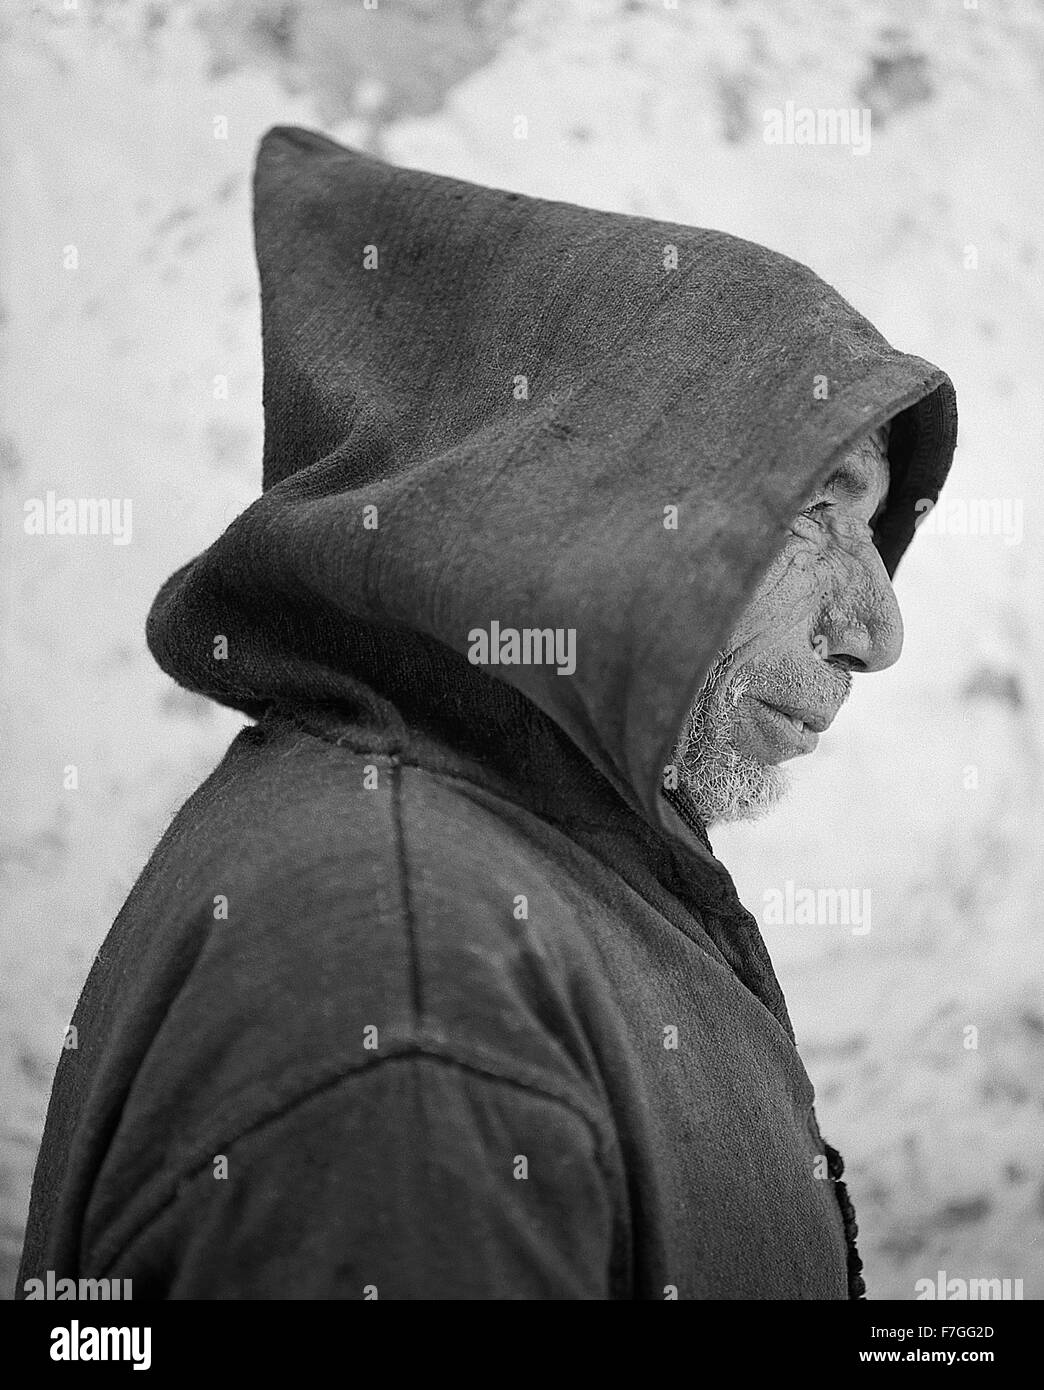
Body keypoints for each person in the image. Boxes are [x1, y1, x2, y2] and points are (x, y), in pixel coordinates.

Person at [17, 126, 957, 1300]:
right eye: (819, 507)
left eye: (875, 527)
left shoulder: (541, 849)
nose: (876, 631)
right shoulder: (411, 984)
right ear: (591, 496)